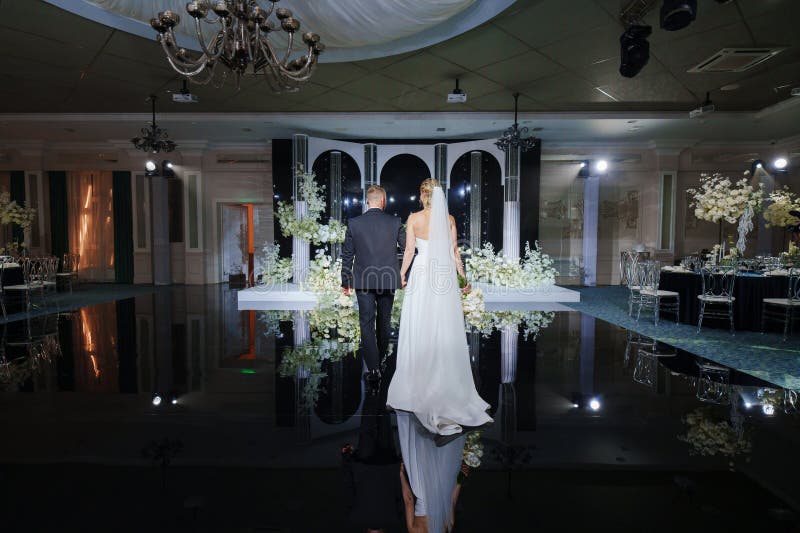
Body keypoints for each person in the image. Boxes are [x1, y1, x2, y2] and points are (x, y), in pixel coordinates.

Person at [387, 178, 493, 436]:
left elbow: (410, 250)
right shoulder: (449, 219)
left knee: (419, 325)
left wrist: (401, 274)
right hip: (443, 275)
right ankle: (446, 379)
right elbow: (454, 251)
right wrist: (463, 278)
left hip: (423, 274)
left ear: (422, 195)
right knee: (445, 326)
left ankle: (418, 380)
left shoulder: (414, 218)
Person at [341, 185, 405, 384]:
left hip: (363, 280)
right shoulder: (395, 222)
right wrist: (402, 273)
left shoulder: (354, 223)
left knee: (366, 323)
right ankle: (382, 359)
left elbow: (347, 255)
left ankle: (374, 367)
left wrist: (345, 281)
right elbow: (407, 250)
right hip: (388, 279)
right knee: (384, 322)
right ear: (383, 200)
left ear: (367, 202)